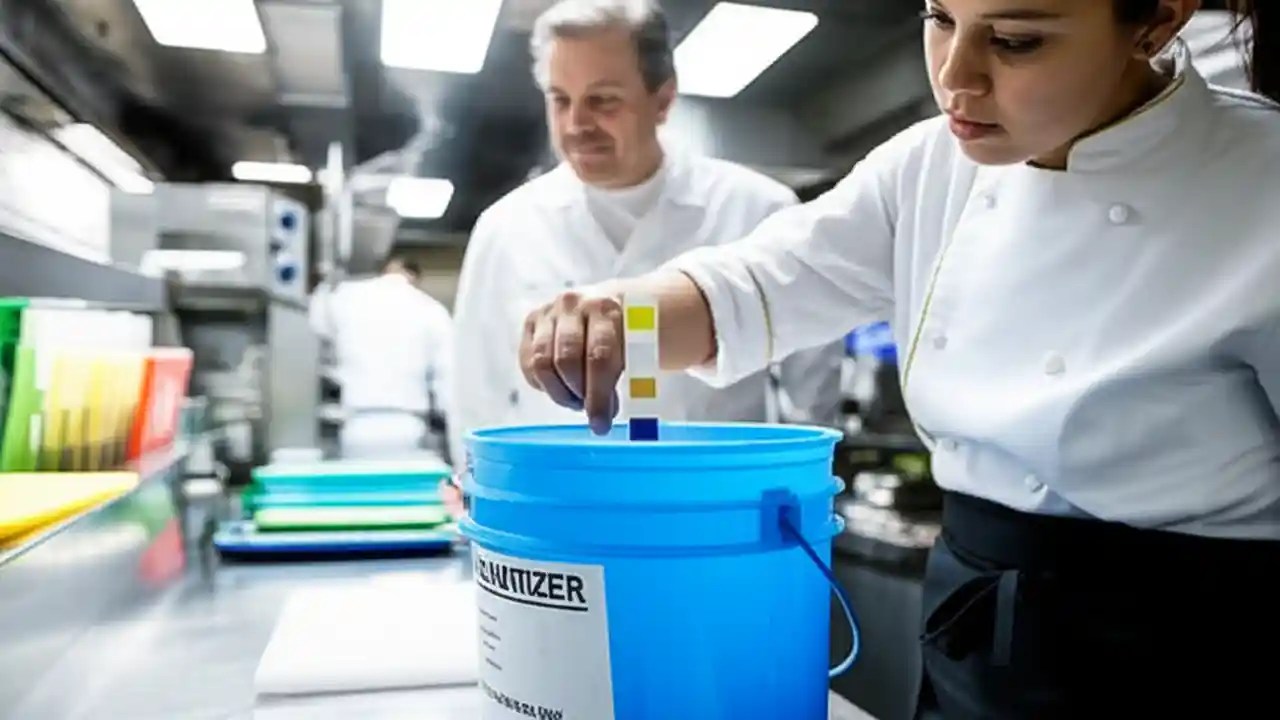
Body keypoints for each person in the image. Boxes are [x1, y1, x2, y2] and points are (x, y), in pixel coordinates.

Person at [518, 0, 1280, 716]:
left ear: (1156, 21)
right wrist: (624, 311)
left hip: (1188, 648)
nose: (956, 76)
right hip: (975, 618)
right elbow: (757, 285)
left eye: (1016, 39)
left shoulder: (1261, 182)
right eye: (940, 18)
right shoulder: (933, 165)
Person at [447, 0, 844, 466]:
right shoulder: (506, 228)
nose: (576, 124)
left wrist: (793, 485)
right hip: (561, 510)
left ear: (663, 100)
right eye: (560, 99)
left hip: (712, 507)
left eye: (603, 100)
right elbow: (476, 392)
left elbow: (811, 383)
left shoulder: (757, 210)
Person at [310, 254, 453, 459]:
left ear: (386, 270)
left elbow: (317, 322)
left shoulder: (347, 296)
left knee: (361, 489)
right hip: (408, 424)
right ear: (414, 277)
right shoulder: (432, 309)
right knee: (403, 489)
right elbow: (446, 378)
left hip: (357, 424)